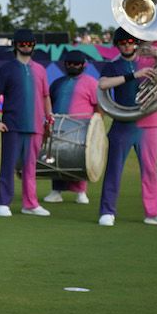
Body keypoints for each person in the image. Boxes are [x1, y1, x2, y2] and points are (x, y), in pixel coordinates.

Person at [96, 28, 157, 227]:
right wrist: (133, 75)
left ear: (136, 42)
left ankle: (154, 212)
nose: (127, 45)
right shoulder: (113, 65)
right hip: (122, 123)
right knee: (114, 169)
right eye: (122, 42)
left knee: (150, 170)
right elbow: (103, 84)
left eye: (130, 41)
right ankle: (107, 211)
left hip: (149, 124)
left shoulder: (151, 58)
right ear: (117, 45)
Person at [0, 28, 52, 217]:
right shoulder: (7, 69)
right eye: (23, 44)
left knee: (31, 167)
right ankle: (2, 202)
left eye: (30, 44)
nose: (26, 47)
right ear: (16, 45)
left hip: (35, 126)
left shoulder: (40, 70)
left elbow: (45, 96)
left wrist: (49, 117)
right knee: (8, 165)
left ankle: (30, 204)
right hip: (12, 124)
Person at [43, 50, 99, 205]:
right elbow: (49, 103)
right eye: (69, 63)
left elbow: (98, 106)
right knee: (56, 157)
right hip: (59, 128)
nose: (73, 66)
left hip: (81, 130)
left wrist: (96, 127)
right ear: (65, 64)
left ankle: (81, 192)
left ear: (83, 65)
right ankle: (56, 191)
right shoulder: (57, 83)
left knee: (79, 160)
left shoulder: (91, 83)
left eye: (76, 64)